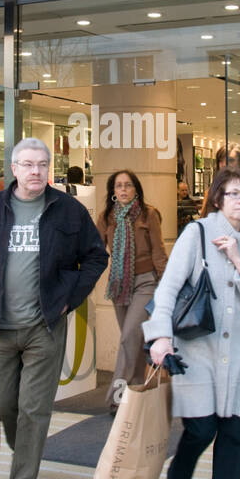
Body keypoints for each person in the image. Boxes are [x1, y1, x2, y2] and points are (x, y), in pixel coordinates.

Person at [0, 137, 107, 479]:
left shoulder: (68, 211)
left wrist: (68, 298)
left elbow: (96, 256)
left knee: (34, 409)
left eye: (42, 164)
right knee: (1, 403)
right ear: (14, 169)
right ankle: (24, 450)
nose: (36, 171)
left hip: (44, 326)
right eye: (28, 164)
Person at [145, 166, 240, 479]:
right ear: (218, 197)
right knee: (201, 428)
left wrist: (238, 260)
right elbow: (168, 289)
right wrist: (159, 337)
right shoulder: (196, 233)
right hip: (197, 352)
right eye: (234, 194)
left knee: (233, 436)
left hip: (235, 356)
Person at [96, 169, 168, 413]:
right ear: (113, 192)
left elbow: (158, 250)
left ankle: (117, 397)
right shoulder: (107, 217)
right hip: (118, 284)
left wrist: (167, 285)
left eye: (128, 185)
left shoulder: (149, 214)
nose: (123, 190)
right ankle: (137, 393)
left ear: (136, 189)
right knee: (133, 342)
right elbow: (95, 250)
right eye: (118, 186)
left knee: (128, 337)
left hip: (146, 282)